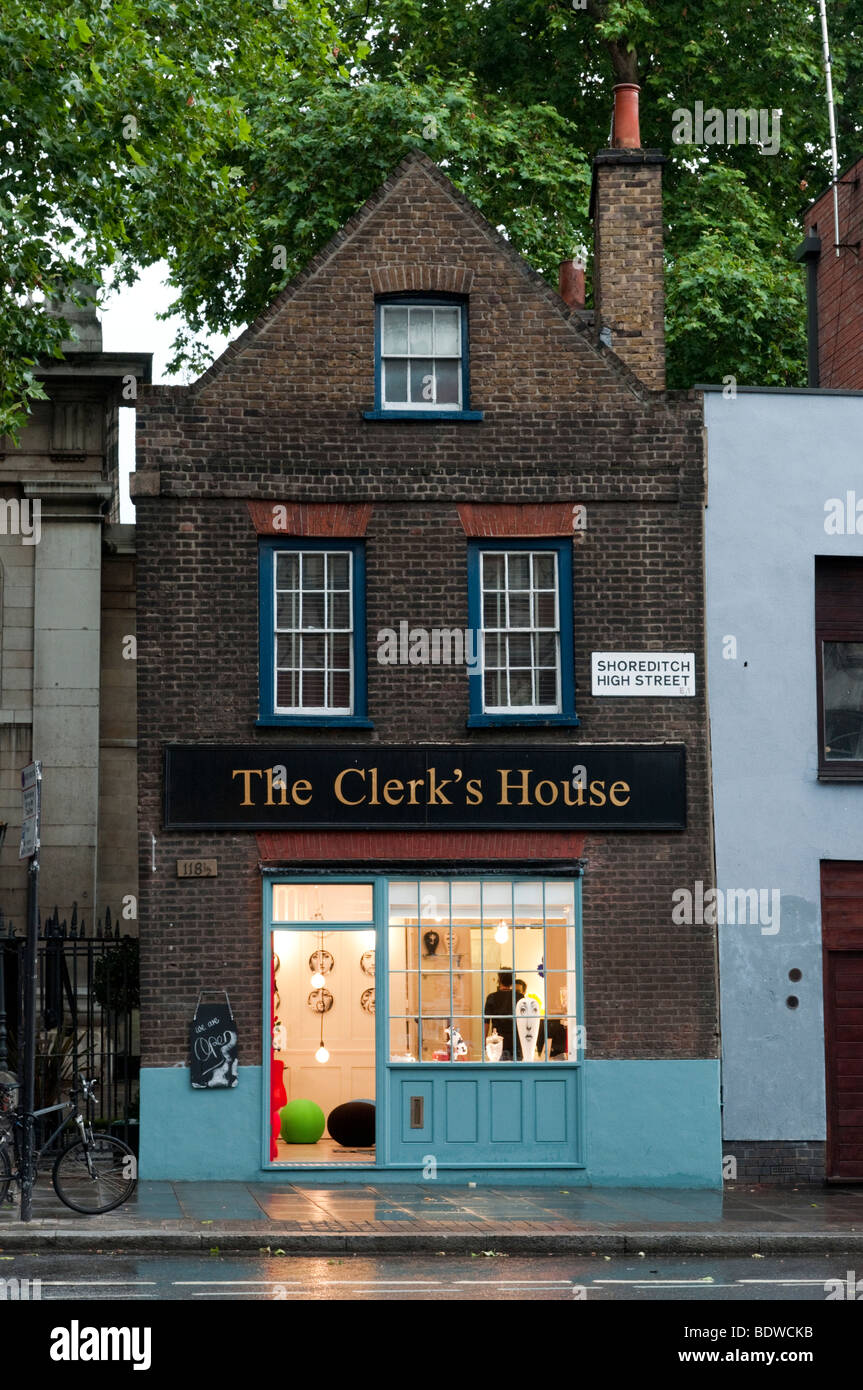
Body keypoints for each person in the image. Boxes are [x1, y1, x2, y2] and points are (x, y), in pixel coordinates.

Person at [484, 971, 517, 1060]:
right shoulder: (519, 997)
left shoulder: (491, 997)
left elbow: (486, 1022)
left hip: (497, 1040)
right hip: (515, 1040)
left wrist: (485, 1042)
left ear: (499, 980)